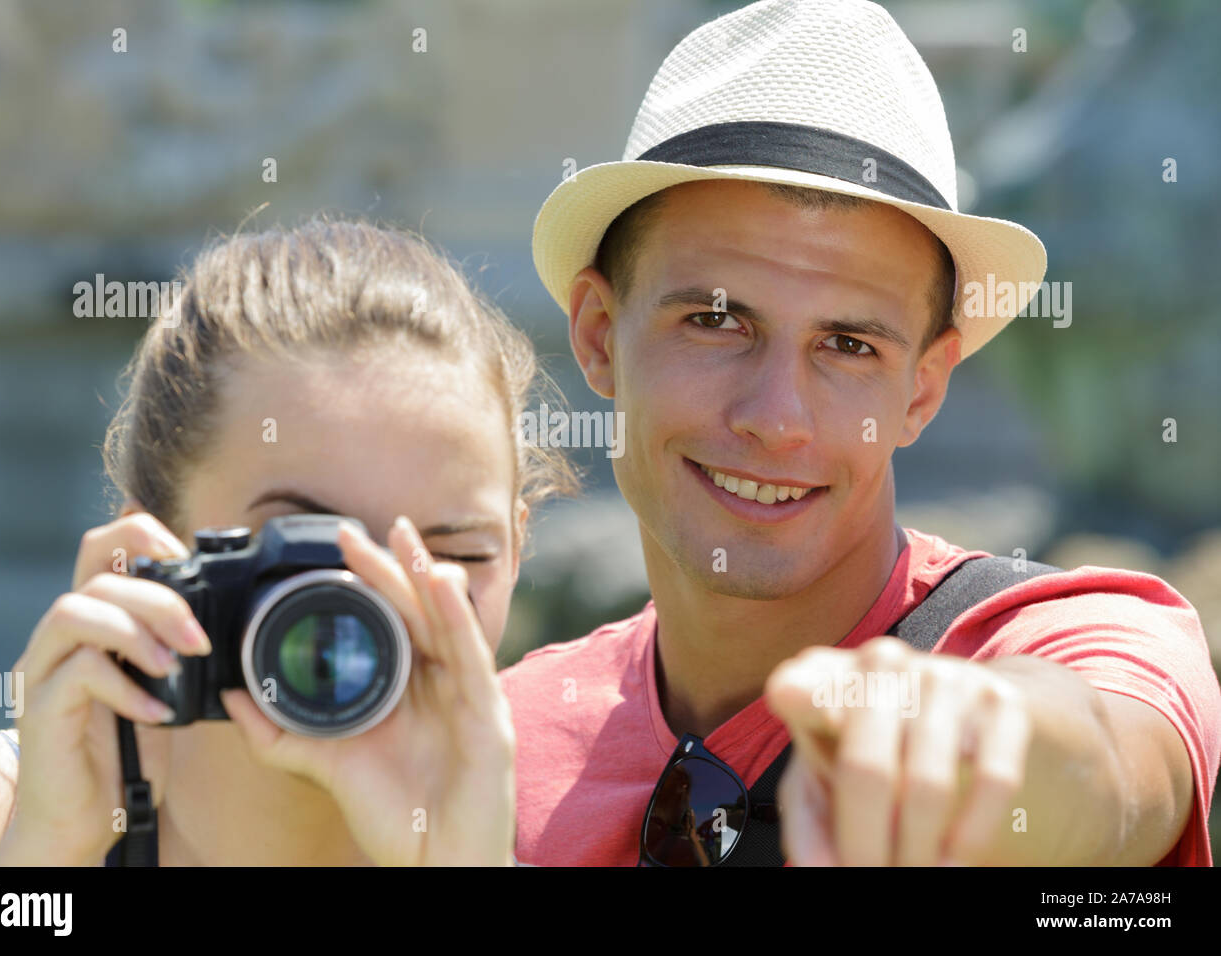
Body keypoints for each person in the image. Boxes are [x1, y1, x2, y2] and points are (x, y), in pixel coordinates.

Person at [501, 0, 1220, 866]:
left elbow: (1109, 757)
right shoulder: (494, 746)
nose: (775, 418)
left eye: (847, 346)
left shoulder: (1071, 635)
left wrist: (986, 758)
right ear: (597, 335)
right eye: (716, 322)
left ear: (923, 388)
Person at [0, 216, 578, 865]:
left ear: (517, 553)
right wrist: (45, 860)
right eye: (305, 551)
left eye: (453, 558)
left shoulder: (581, 840)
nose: (374, 604)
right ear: (152, 558)